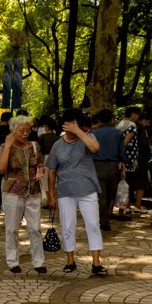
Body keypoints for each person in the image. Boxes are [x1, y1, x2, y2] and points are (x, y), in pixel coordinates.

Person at [46, 110, 106, 275]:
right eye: (68, 124)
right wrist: (51, 195)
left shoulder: (87, 138)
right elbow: (51, 171)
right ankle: (70, 260)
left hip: (87, 189)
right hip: (65, 190)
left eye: (74, 124)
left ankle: (96, 262)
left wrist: (78, 131)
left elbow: (95, 148)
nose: (70, 128)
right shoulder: (57, 145)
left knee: (93, 224)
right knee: (67, 226)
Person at [0, 115, 46, 273]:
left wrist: (40, 171)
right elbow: (1, 169)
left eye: (28, 129)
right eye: (21, 130)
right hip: (13, 191)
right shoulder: (5, 146)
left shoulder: (34, 145)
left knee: (35, 228)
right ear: (12, 130)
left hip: (33, 191)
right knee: (12, 228)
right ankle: (12, 261)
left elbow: (40, 165)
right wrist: (8, 146)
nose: (25, 133)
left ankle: (39, 262)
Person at [89, 109, 127, 231]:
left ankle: (103, 220)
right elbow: (122, 152)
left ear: (99, 120)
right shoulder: (118, 133)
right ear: (111, 119)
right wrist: (124, 167)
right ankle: (106, 218)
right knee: (111, 193)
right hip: (113, 166)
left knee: (101, 195)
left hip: (97, 166)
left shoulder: (93, 133)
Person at [116, 107, 141, 213]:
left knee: (122, 182)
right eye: (137, 114)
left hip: (119, 157)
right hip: (128, 158)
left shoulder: (119, 124)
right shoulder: (132, 125)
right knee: (128, 182)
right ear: (133, 114)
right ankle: (126, 207)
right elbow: (126, 142)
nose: (138, 117)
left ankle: (125, 206)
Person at [130, 112, 152, 213]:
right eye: (147, 122)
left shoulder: (134, 128)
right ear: (143, 120)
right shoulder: (141, 129)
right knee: (141, 183)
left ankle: (128, 205)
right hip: (141, 159)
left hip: (134, 158)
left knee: (131, 182)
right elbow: (143, 144)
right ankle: (138, 204)